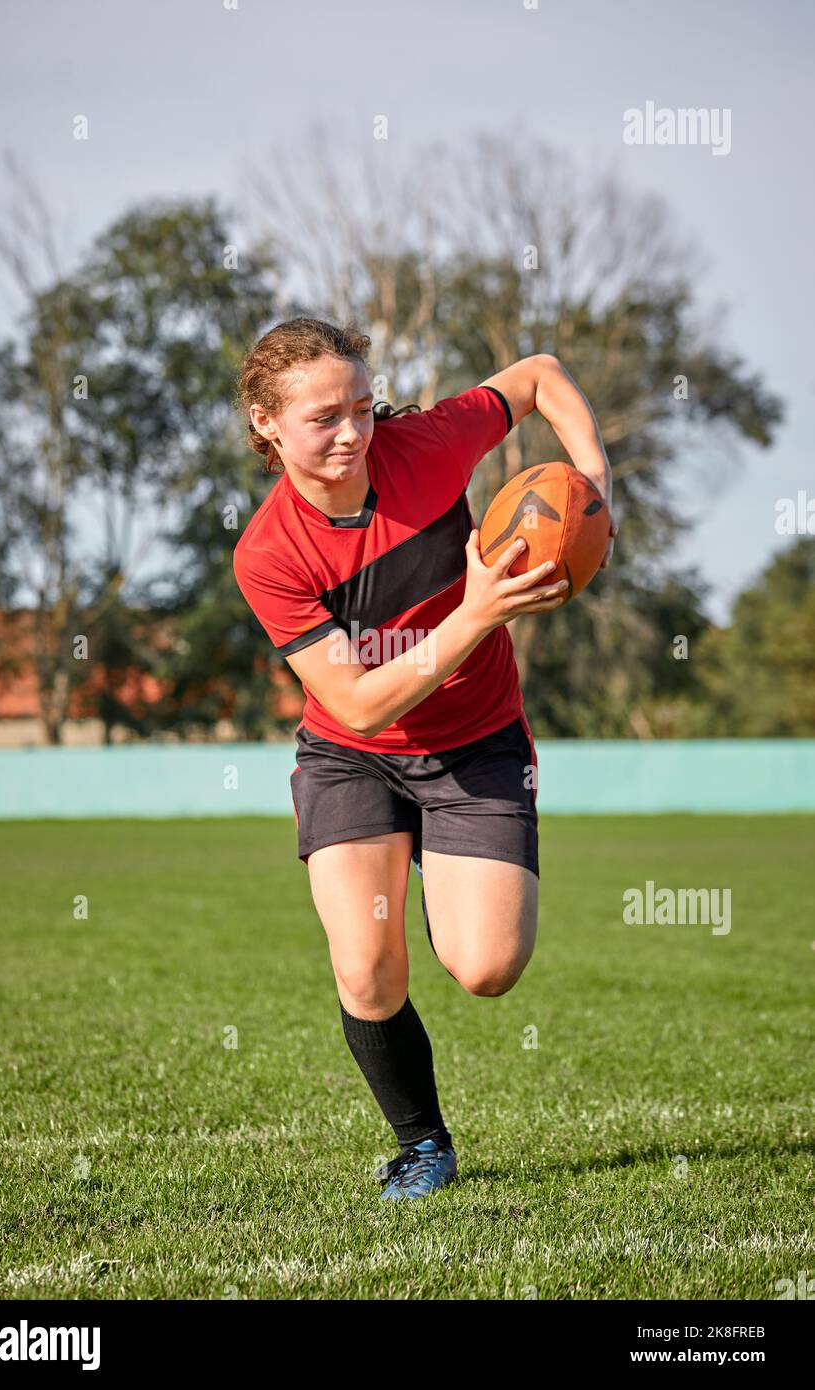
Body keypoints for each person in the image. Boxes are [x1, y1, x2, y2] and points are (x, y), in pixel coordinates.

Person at [232, 316, 615, 1201]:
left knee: (485, 969)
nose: (354, 433)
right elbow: (358, 701)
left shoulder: (429, 446)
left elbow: (540, 375)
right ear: (266, 422)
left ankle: (452, 883)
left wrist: (594, 479)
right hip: (351, 757)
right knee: (365, 963)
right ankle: (422, 1142)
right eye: (324, 417)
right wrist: (479, 613)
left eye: (363, 408)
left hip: (476, 744)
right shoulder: (269, 553)